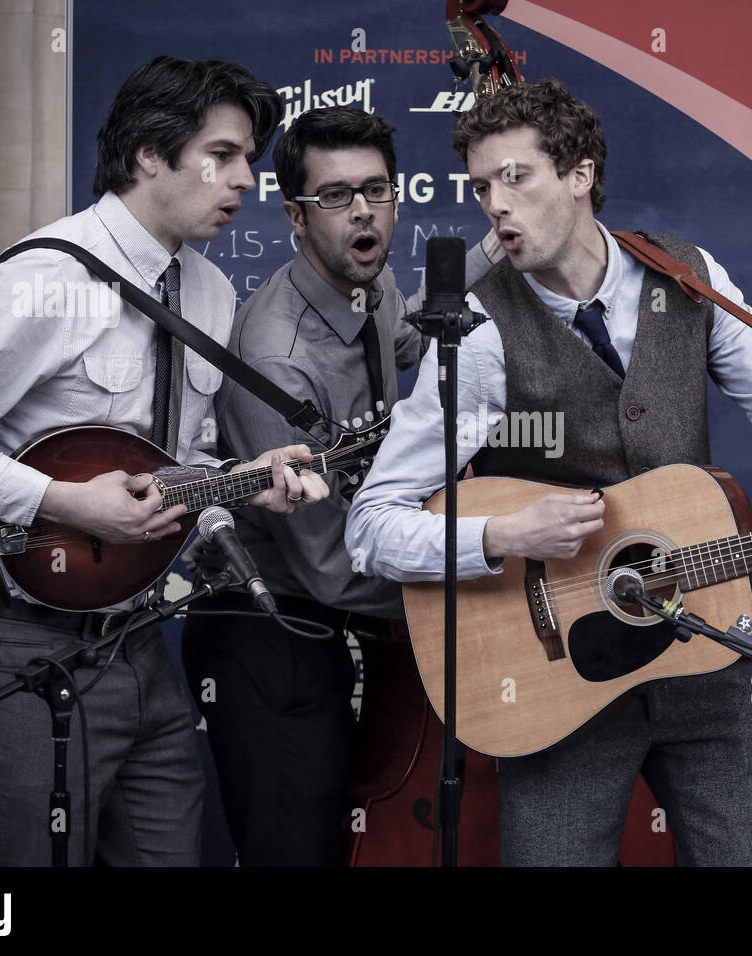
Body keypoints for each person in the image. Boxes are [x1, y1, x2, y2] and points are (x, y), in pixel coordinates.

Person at [344, 78, 752, 866]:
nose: (495, 207)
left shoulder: (687, 278)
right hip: (559, 686)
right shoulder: (480, 330)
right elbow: (371, 526)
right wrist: (503, 535)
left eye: (515, 178)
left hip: (706, 662)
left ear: (580, 174)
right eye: (482, 187)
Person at [0, 56, 330, 866]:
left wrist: (242, 486)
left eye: (249, 158)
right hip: (24, 648)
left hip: (141, 644)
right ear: (151, 154)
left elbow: (174, 464)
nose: (245, 180)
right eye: (222, 155)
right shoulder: (44, 275)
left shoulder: (210, 292)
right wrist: (63, 501)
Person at [180, 106, 498, 866]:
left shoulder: (371, 279)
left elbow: (409, 335)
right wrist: (484, 579)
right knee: (295, 852)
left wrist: (500, 242)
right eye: (334, 196)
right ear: (295, 215)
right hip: (267, 632)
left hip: (333, 621)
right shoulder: (275, 358)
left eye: (376, 190)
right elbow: (329, 564)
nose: (362, 210)